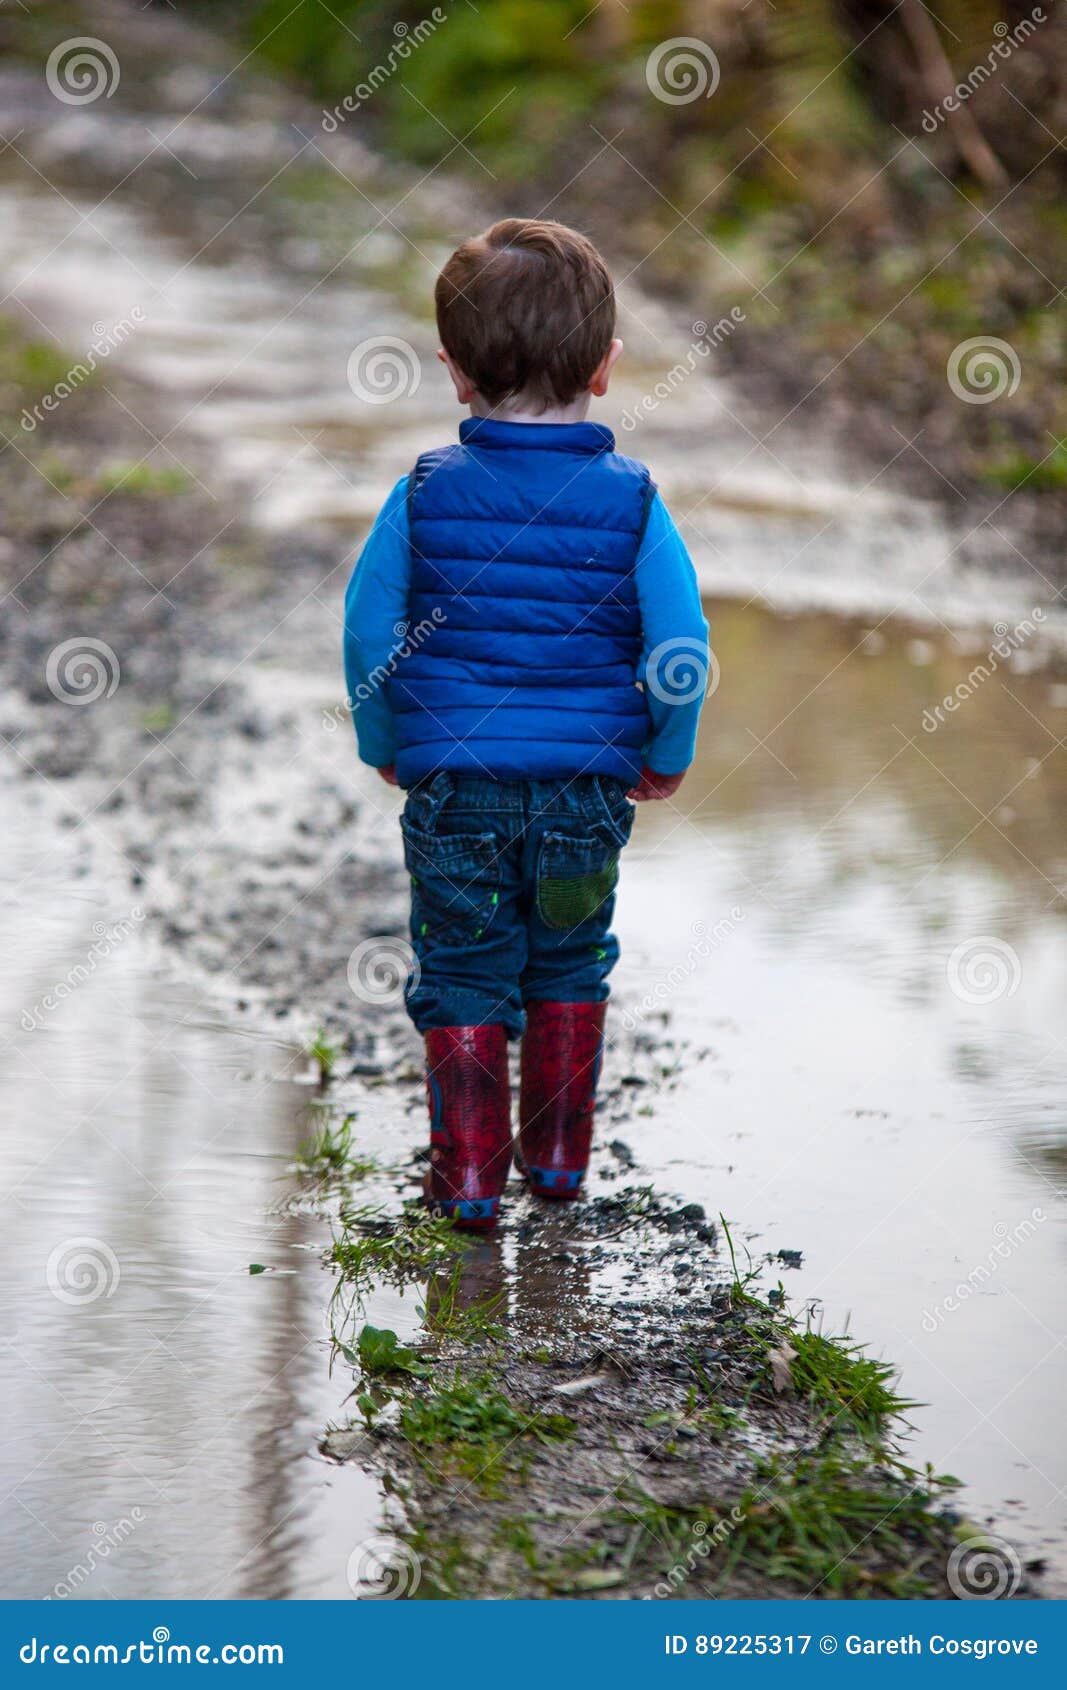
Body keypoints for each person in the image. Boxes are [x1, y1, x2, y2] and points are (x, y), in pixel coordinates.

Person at [344, 218, 709, 1229]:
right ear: (604, 367)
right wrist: (662, 751)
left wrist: (387, 742)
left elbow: (368, 628)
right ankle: (555, 1161)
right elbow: (679, 649)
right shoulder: (632, 501)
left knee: (460, 966)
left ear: (454, 372)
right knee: (568, 954)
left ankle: (465, 1176)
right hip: (587, 790)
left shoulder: (423, 493)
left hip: (453, 783)